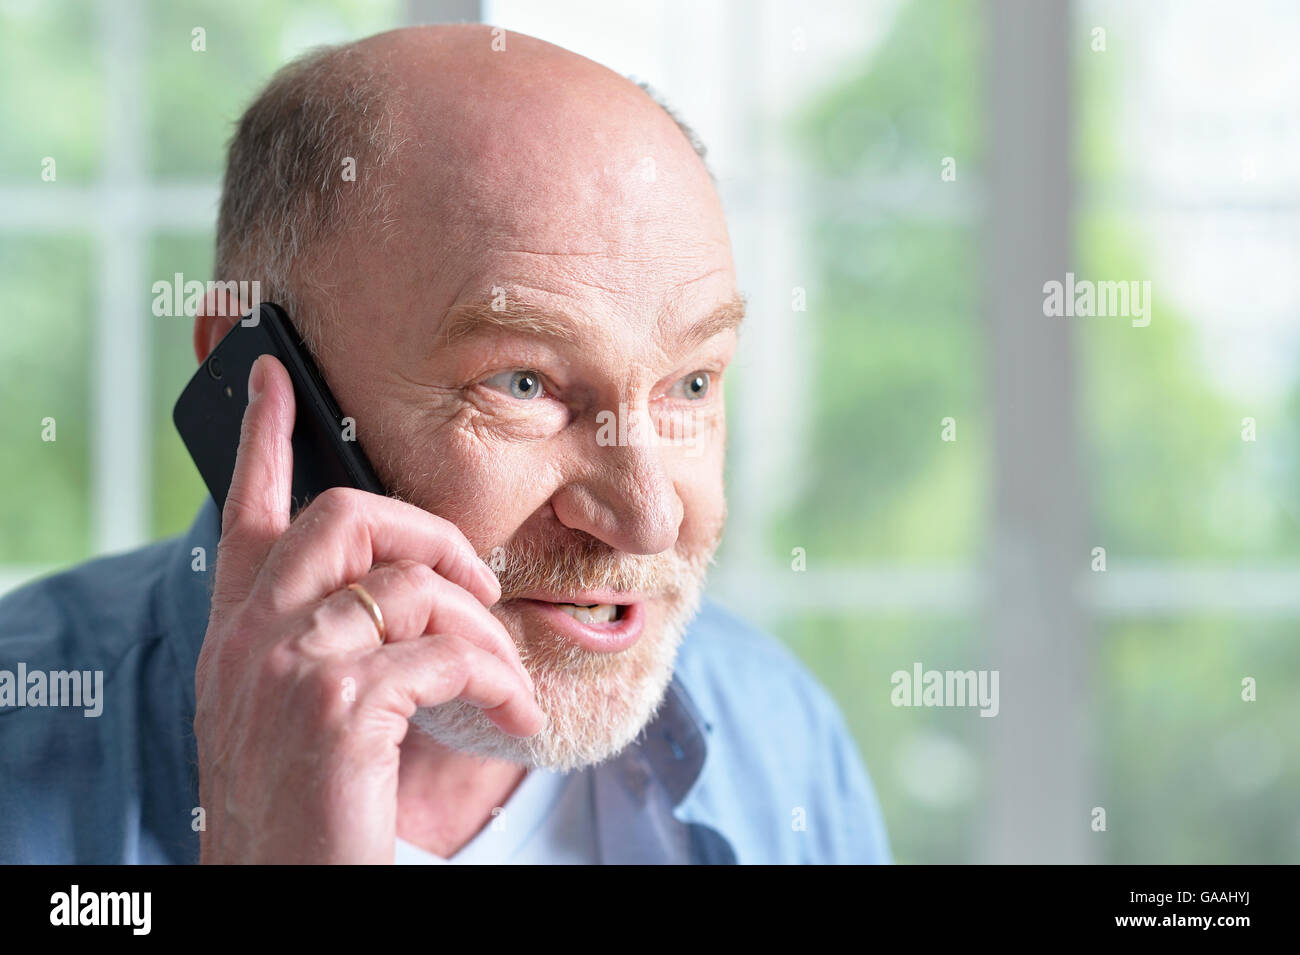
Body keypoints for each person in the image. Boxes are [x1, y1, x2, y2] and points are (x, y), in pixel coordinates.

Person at [0, 23, 890, 864]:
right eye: (523, 385)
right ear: (250, 387)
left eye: (691, 384)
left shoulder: (780, 727)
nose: (648, 517)